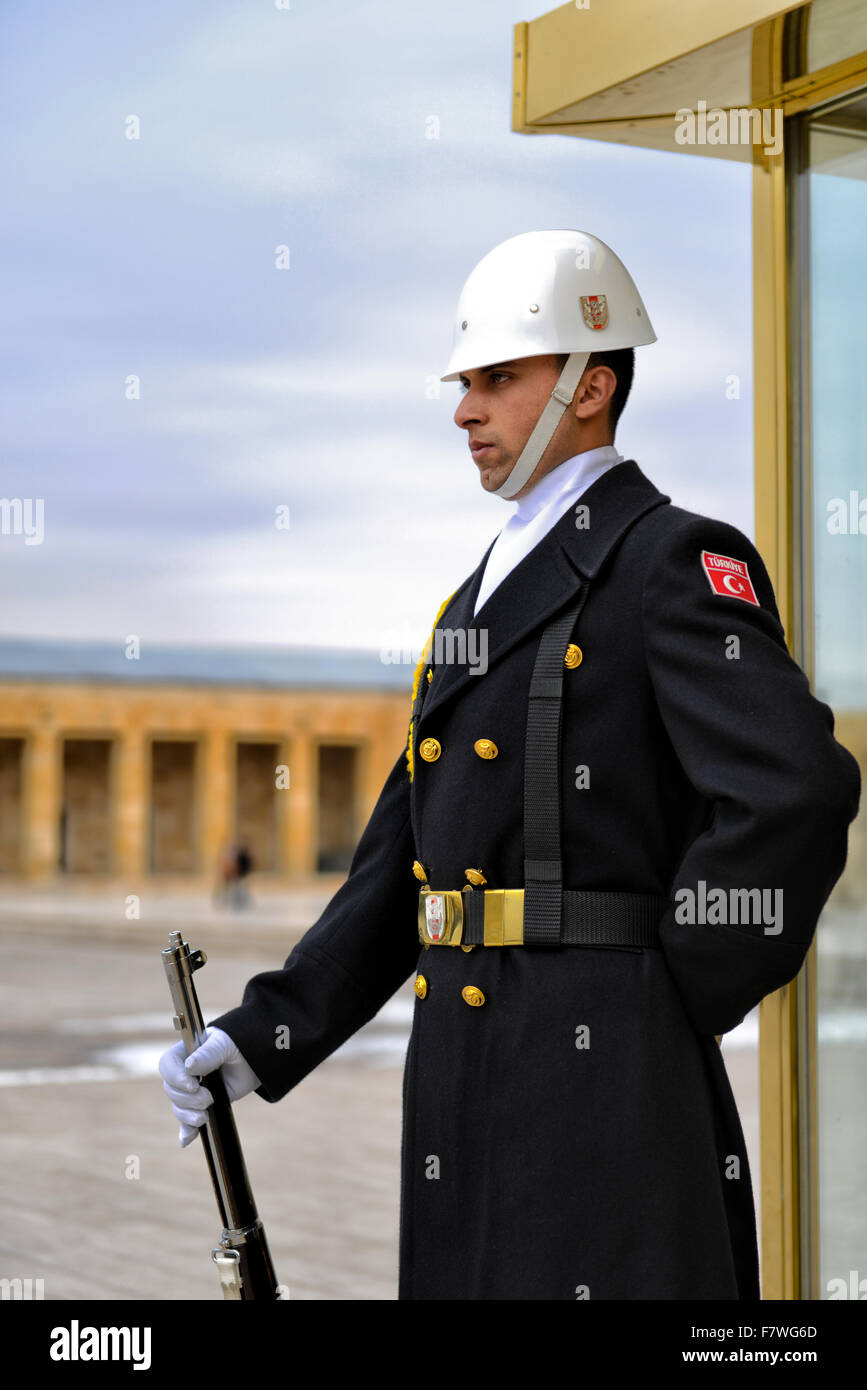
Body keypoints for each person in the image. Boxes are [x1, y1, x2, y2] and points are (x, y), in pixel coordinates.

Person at [160, 230, 860, 1300]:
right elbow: (405, 860)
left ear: (592, 384)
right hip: (463, 1082)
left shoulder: (666, 558)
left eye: (497, 378)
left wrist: (663, 992)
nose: (464, 411)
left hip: (604, 1088)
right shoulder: (468, 602)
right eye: (464, 383)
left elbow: (794, 790)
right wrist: (265, 1033)